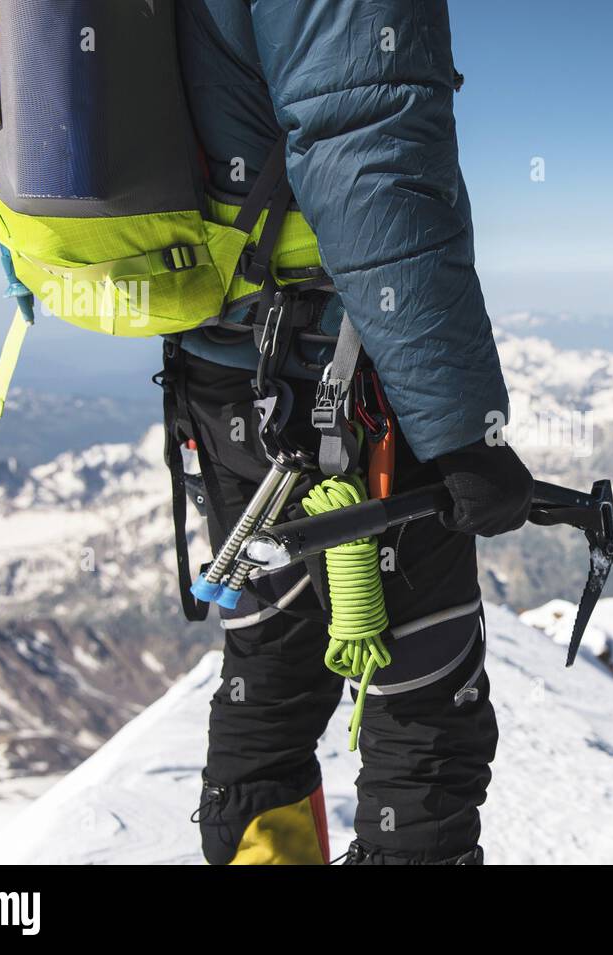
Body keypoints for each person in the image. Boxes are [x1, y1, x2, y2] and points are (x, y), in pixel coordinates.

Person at [168, 0, 533, 865]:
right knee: (423, 716)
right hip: (347, 384)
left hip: (216, 377)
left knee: (268, 679)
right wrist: (463, 433)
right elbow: (368, 151)